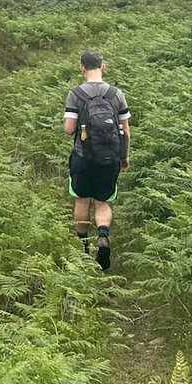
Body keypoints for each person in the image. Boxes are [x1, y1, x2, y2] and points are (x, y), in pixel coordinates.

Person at [62, 50, 130, 271]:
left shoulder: (75, 94)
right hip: (109, 158)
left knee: (82, 200)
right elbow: (125, 131)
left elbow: (68, 129)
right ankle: (103, 235)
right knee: (103, 202)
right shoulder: (116, 94)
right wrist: (124, 157)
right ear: (104, 67)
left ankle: (84, 249)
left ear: (81, 68)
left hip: (83, 157)